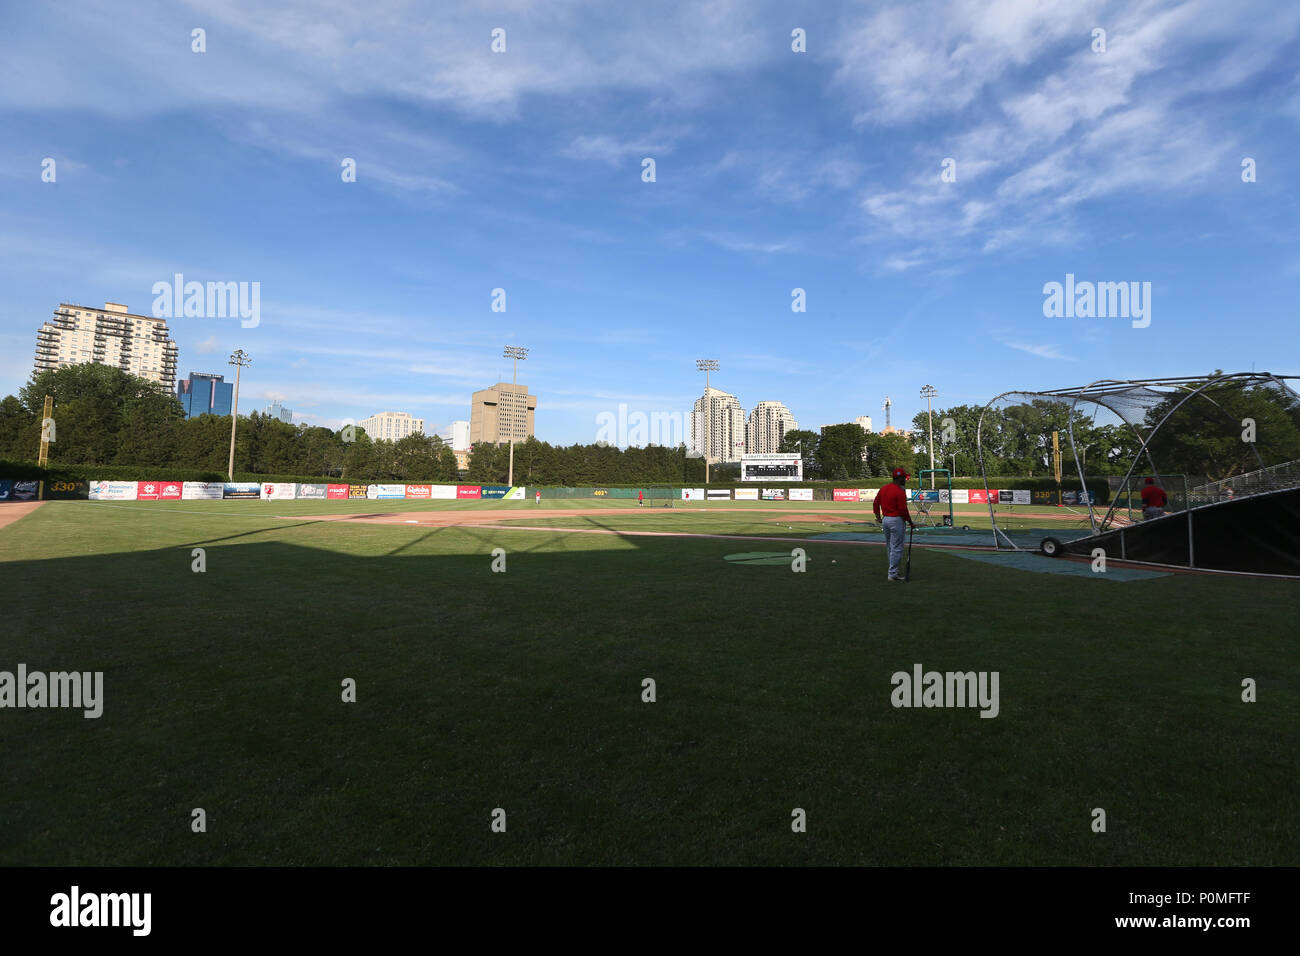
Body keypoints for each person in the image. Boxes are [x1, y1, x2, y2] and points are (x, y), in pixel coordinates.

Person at [873, 467, 916, 582]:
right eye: (904, 478)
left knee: (890, 546)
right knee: (897, 548)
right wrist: (910, 522)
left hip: (886, 520)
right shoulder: (899, 491)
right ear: (900, 478)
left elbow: (876, 503)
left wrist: (878, 517)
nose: (905, 480)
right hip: (896, 520)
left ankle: (893, 571)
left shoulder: (884, 488)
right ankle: (892, 574)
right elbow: (903, 510)